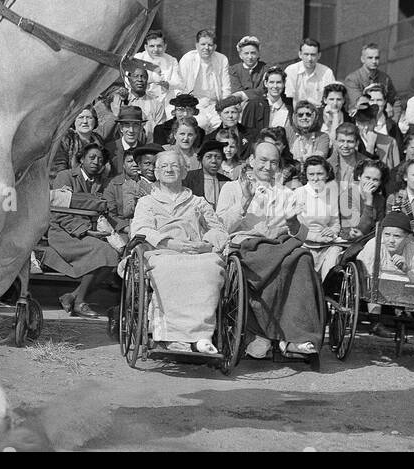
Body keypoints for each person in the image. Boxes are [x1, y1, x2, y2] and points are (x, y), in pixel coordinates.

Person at [217, 138, 322, 360]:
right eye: (263, 160)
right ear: (251, 160)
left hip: (278, 247)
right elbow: (221, 228)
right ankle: (263, 333)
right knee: (277, 258)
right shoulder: (231, 188)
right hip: (246, 247)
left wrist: (293, 223)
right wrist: (245, 202)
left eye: (274, 163)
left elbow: (301, 235)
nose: (268, 167)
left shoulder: (285, 193)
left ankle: (297, 337)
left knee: (303, 258)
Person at [130, 150, 232, 355]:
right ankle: (172, 336)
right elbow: (141, 230)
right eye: (164, 166)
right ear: (156, 173)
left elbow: (218, 230)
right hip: (162, 253)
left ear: (185, 172)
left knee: (211, 267)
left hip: (196, 253)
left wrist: (206, 244)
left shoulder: (198, 202)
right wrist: (171, 244)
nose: (169, 169)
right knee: (168, 269)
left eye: (175, 166)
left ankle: (201, 335)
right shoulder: (147, 202)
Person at [46, 141, 118, 318]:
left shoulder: (103, 182)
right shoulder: (66, 176)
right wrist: (86, 231)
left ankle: (72, 296)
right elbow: (58, 213)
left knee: (113, 256)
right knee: (104, 252)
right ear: (81, 159)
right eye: (92, 157)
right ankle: (80, 302)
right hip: (63, 232)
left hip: (89, 232)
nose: (96, 162)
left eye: (100, 159)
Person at [291, 156, 344, 280]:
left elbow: (335, 223)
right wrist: (314, 237)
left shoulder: (331, 194)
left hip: (326, 244)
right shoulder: (298, 193)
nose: (315, 178)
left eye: (320, 174)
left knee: (335, 255)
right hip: (304, 243)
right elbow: (294, 227)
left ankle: (326, 292)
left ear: (326, 175)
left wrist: (332, 231)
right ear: (306, 175)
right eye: (311, 174)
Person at [175, 30, 233, 131]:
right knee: (201, 124)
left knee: (223, 124)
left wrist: (224, 107)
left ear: (215, 46)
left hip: (215, 105)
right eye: (203, 44)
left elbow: (226, 87)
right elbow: (180, 85)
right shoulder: (188, 59)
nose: (206, 48)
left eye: (210, 45)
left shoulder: (222, 59)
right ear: (196, 45)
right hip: (194, 105)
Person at [356, 211, 414, 284]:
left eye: (397, 236)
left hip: (408, 291)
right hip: (377, 289)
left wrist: (407, 270)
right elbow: (364, 279)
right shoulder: (374, 246)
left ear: (407, 237)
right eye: (387, 234)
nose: (391, 240)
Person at [238, 67, 292, 139]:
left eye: (278, 82)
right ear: (266, 83)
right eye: (271, 82)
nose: (275, 86)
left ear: (284, 83)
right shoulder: (253, 105)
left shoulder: (289, 106)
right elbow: (245, 134)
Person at [283, 38, 336, 108]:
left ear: (319, 55)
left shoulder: (327, 72)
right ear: (300, 54)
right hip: (297, 113)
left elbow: (333, 99)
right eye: (306, 54)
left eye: (313, 55)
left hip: (320, 114)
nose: (310, 58)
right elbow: (288, 100)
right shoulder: (291, 71)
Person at [343, 42, 397, 107]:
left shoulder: (385, 78)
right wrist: (386, 104)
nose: (374, 61)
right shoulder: (352, 79)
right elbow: (361, 104)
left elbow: (396, 101)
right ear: (362, 59)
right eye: (370, 58)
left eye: (377, 58)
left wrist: (393, 116)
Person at [122, 58, 167, 137]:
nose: (140, 80)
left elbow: (161, 131)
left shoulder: (156, 105)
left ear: (147, 81)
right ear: (129, 80)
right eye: (136, 76)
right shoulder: (122, 101)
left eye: (143, 77)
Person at [134, 30, 180, 101]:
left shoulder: (172, 61)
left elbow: (177, 82)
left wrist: (167, 84)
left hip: (165, 98)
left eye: (159, 46)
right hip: (141, 98)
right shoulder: (138, 58)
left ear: (165, 46)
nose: (156, 50)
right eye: (152, 46)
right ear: (146, 47)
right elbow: (129, 81)